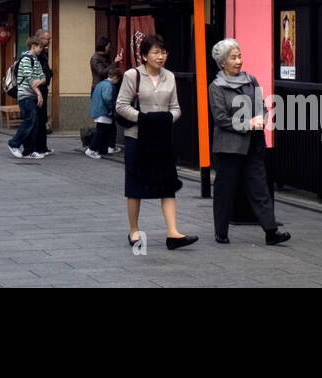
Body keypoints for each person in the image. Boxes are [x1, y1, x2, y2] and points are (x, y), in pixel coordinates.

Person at [115, 34, 196, 250]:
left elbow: (176, 108)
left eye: (164, 52)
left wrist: (167, 118)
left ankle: (173, 233)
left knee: (168, 184)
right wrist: (144, 119)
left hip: (162, 139)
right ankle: (134, 230)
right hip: (137, 138)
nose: (161, 57)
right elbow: (121, 106)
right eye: (156, 52)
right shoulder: (133, 76)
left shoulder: (169, 76)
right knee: (135, 186)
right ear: (144, 56)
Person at [207, 38, 290, 246]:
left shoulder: (250, 80)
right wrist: (248, 123)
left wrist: (262, 116)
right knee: (225, 189)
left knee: (259, 188)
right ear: (222, 62)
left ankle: (271, 231)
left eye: (239, 56)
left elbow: (262, 104)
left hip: (253, 144)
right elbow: (221, 119)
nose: (238, 61)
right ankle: (221, 232)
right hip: (228, 148)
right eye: (233, 58)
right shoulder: (216, 86)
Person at [7, 35, 48, 159]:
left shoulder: (36, 59)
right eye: (40, 47)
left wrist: (40, 82)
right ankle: (14, 143)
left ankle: (29, 151)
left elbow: (43, 77)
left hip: (32, 95)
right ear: (33, 46)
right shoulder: (25, 59)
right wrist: (39, 94)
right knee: (30, 120)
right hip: (25, 95)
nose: (41, 49)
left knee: (34, 123)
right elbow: (30, 79)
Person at [86, 64, 122, 159]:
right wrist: (111, 109)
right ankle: (91, 149)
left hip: (98, 111)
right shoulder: (109, 86)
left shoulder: (100, 84)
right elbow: (107, 99)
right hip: (104, 112)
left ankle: (103, 149)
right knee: (101, 132)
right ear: (115, 77)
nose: (117, 82)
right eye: (118, 79)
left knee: (103, 131)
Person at [34, 28, 53, 154]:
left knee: (42, 119)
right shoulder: (36, 56)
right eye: (47, 39)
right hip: (37, 91)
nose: (49, 41)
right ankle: (37, 147)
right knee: (38, 119)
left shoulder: (44, 54)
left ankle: (43, 147)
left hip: (43, 89)